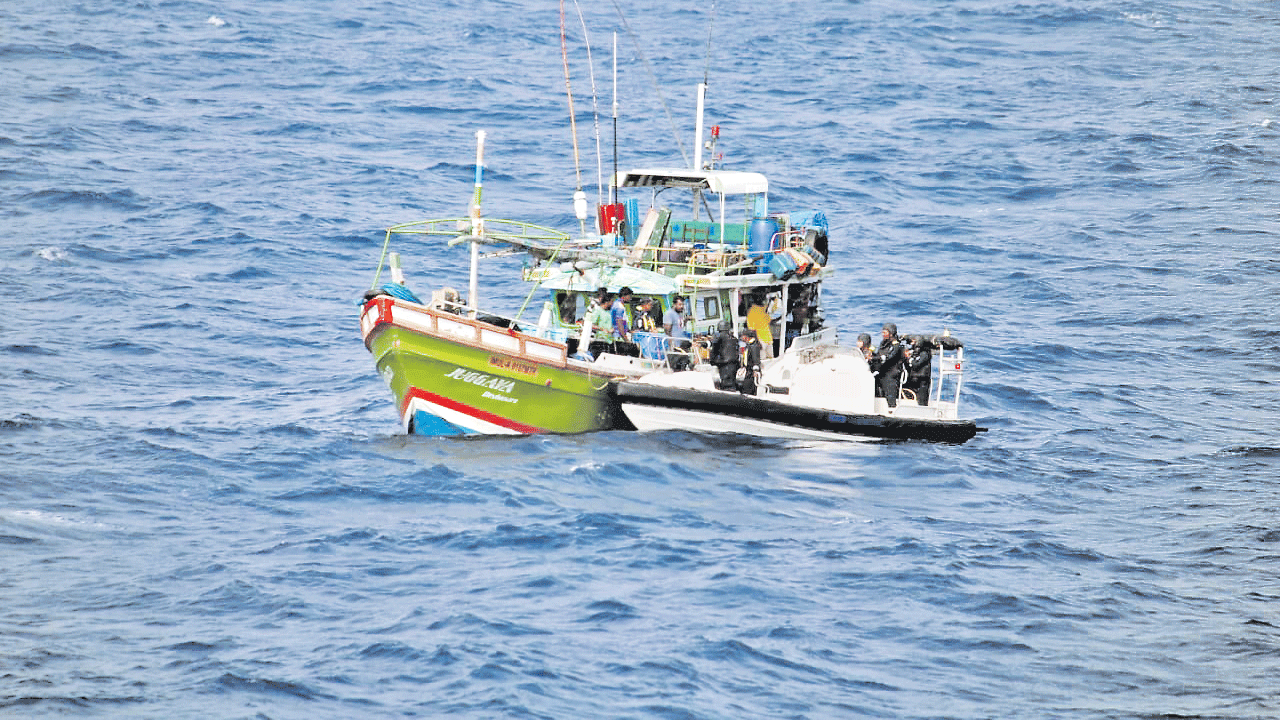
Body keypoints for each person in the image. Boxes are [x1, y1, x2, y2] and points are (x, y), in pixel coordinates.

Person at [872, 322, 906, 408]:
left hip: (891, 374)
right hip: (883, 372)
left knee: (890, 394)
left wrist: (876, 358)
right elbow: (879, 354)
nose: (883, 334)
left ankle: (892, 409)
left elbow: (889, 358)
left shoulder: (896, 346)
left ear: (891, 333)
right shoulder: (883, 344)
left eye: (885, 332)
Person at [708, 320, 740, 391]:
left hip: (724, 363)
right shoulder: (734, 338)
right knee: (732, 381)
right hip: (734, 363)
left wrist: (712, 361)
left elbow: (714, 350)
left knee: (726, 384)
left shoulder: (718, 337)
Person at [663, 296, 692, 370]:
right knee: (675, 361)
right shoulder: (669, 314)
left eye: (683, 305)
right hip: (674, 343)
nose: (681, 307)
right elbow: (667, 329)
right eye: (680, 305)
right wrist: (671, 341)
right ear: (674, 304)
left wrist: (686, 320)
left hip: (681, 342)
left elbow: (680, 325)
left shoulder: (680, 314)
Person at [744, 291, 775, 358]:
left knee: (772, 361)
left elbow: (769, 321)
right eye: (762, 296)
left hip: (768, 340)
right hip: (761, 341)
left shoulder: (763, 309)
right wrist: (758, 343)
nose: (763, 298)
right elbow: (752, 330)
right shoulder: (752, 311)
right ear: (757, 298)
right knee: (763, 362)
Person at [903, 338, 932, 406]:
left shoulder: (925, 354)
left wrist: (910, 360)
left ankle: (922, 408)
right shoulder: (916, 353)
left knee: (922, 397)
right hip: (915, 377)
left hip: (922, 379)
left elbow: (916, 364)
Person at [740, 328, 763, 396]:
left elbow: (756, 359)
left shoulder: (754, 346)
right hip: (748, 370)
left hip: (752, 371)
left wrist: (756, 370)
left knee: (748, 390)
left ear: (746, 337)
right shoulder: (749, 345)